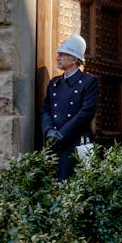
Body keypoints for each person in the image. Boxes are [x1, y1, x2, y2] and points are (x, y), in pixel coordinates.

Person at [40, 34, 98, 181]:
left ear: (74, 59)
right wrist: (49, 131)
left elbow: (86, 113)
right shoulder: (54, 83)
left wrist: (62, 134)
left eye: (62, 54)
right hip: (55, 143)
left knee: (77, 190)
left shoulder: (88, 82)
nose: (57, 57)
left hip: (77, 144)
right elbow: (46, 110)